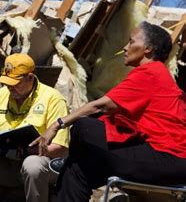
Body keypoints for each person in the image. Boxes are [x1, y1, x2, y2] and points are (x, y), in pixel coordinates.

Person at [35, 21, 186, 202]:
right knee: (77, 171)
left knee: (84, 127)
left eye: (131, 42)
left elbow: (101, 105)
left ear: (148, 49)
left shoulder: (151, 72)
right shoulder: (155, 74)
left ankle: (70, 158)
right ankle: (71, 163)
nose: (125, 48)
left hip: (168, 159)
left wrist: (58, 124)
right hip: (159, 157)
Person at [0, 53, 70, 202]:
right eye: (6, 83)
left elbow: (60, 148)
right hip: (5, 164)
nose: (10, 87)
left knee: (32, 164)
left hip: (40, 166)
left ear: (30, 77)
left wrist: (29, 150)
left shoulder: (53, 99)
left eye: (15, 83)